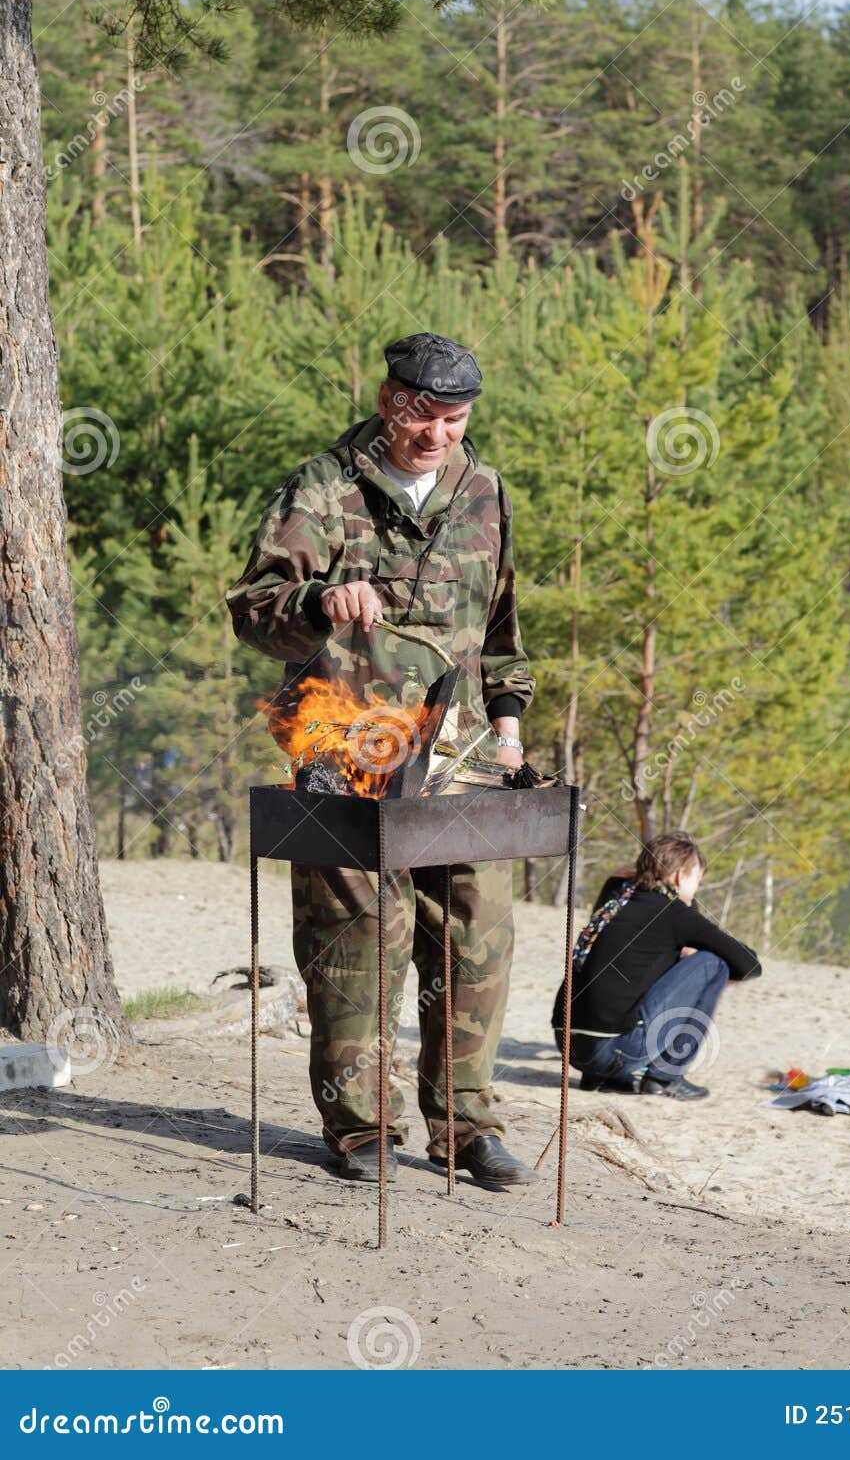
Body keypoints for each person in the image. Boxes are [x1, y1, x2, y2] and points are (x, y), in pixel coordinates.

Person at [227, 331, 540, 1187]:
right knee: (358, 942)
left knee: (476, 938)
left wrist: (509, 727)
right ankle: (361, 1129)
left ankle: (466, 1127)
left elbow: (501, 633)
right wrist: (320, 599)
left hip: (460, 757)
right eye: (422, 415)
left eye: (455, 419)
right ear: (387, 400)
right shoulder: (321, 487)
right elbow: (253, 611)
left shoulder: (483, 490)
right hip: (347, 751)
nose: (437, 434)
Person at [551, 831, 761, 1099]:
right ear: (680, 876)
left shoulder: (617, 899)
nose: (697, 888)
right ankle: (665, 1077)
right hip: (613, 1054)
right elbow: (749, 964)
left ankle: (603, 1078)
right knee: (713, 964)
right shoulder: (674, 913)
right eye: (697, 880)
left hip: (568, 1047)